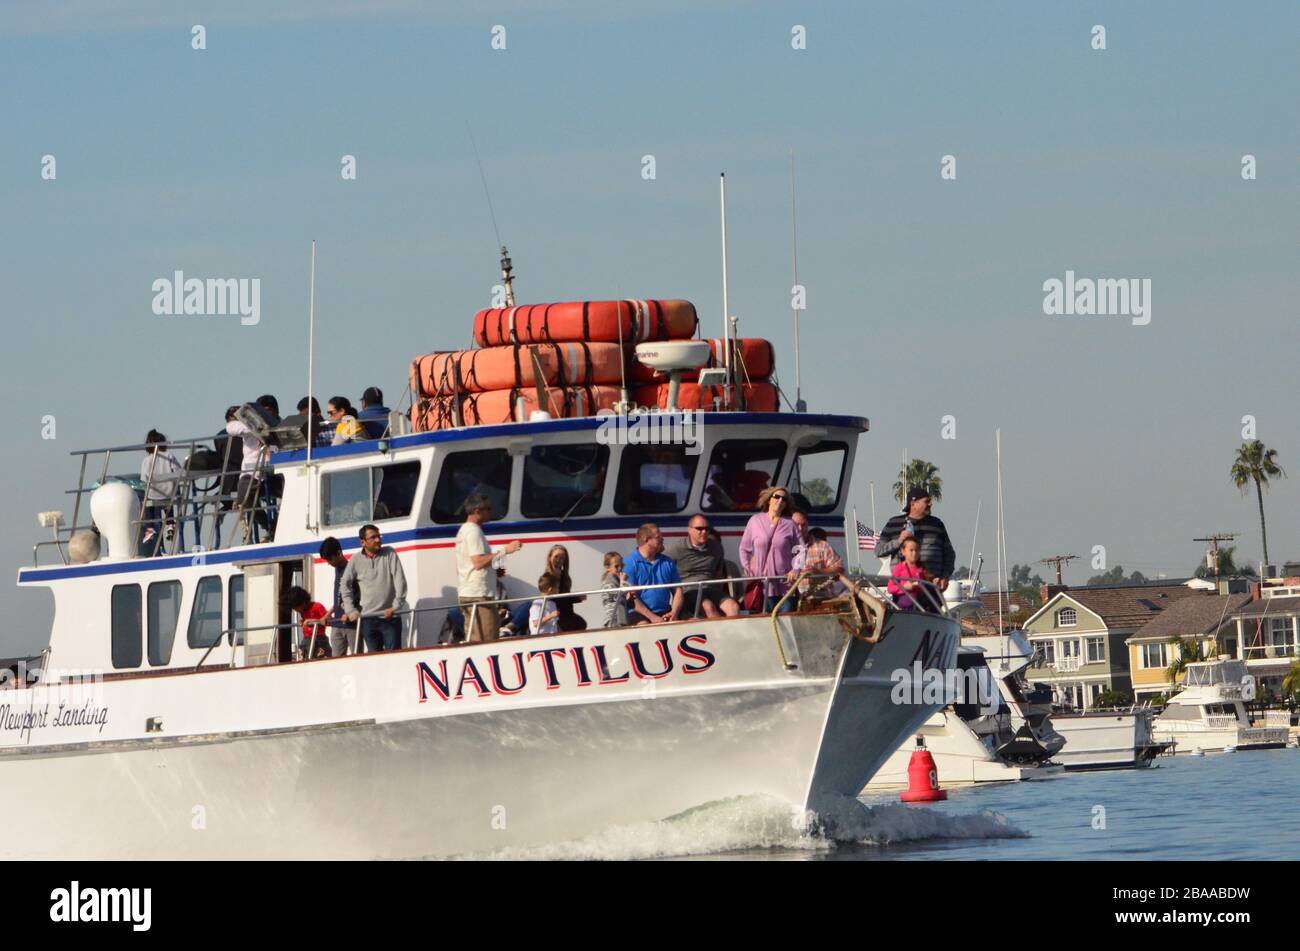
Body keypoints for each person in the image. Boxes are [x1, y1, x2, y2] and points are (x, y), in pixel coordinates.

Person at [455, 494, 522, 642]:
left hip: (468, 593)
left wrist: (492, 570)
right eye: (488, 509)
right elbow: (478, 562)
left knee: (476, 639)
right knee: (487, 639)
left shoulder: (463, 531)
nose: (491, 512)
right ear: (478, 510)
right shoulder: (474, 531)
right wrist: (506, 550)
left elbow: (466, 565)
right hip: (479, 596)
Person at [875, 486, 956, 593]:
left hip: (932, 587)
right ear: (913, 504)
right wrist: (898, 541)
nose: (930, 504)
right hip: (904, 589)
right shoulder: (893, 523)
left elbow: (949, 554)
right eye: (926, 501)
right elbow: (878, 551)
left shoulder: (937, 524)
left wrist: (945, 576)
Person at [340, 524, 408, 652]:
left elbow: (400, 581)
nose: (378, 540)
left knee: (394, 657)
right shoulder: (355, 559)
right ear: (363, 542)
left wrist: (395, 607)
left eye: (378, 536)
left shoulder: (390, 553)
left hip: (390, 618)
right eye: (373, 537)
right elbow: (344, 584)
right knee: (374, 660)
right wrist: (350, 610)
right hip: (368, 620)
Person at [738, 485, 801, 613]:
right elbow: (744, 548)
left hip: (785, 585)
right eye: (777, 497)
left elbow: (801, 550)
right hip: (762, 584)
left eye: (784, 499)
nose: (780, 500)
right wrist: (747, 567)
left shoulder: (790, 524)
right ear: (769, 500)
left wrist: (796, 569)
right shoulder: (755, 520)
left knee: (785, 623)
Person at [667, 515, 740, 618]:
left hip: (710, 588)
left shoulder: (716, 547)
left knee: (734, 607)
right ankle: (719, 633)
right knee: (708, 607)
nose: (704, 532)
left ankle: (733, 633)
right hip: (689, 590)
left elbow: (718, 574)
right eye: (699, 529)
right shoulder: (676, 548)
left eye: (707, 529)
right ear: (689, 530)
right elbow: (662, 567)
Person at [624, 523, 683, 624]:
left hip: (665, 611)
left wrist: (674, 613)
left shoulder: (668, 562)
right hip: (639, 614)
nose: (662, 539)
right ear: (646, 540)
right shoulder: (629, 563)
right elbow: (631, 598)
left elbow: (678, 591)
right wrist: (653, 618)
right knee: (644, 626)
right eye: (658, 537)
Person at [138, 430, 182, 556]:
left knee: (149, 508)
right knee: (169, 506)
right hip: (168, 493)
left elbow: (144, 479)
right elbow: (178, 471)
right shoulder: (169, 455)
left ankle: (150, 529)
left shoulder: (147, 460)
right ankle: (170, 525)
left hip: (154, 493)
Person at [319, 536, 358, 656]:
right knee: (335, 661)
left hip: (352, 624)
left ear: (339, 553)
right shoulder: (337, 569)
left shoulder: (353, 568)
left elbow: (359, 595)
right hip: (337, 624)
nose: (329, 563)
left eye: (330, 559)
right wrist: (328, 614)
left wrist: (350, 612)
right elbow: (339, 597)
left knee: (358, 658)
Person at [544, 544, 587, 631]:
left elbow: (565, 595)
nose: (558, 560)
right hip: (556, 612)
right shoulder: (547, 577)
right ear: (550, 558)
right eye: (556, 557)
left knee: (581, 623)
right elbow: (554, 598)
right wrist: (576, 598)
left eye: (562, 558)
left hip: (567, 612)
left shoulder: (565, 576)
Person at [283, 585, 331, 658]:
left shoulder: (317, 606)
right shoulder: (303, 611)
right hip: (306, 640)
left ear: (303, 602)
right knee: (303, 658)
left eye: (296, 607)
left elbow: (329, 620)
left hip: (319, 639)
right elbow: (306, 620)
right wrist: (303, 621)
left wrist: (313, 621)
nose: (296, 610)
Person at [887, 537, 934, 611]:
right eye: (911, 550)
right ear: (903, 551)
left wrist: (933, 581)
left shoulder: (922, 569)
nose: (914, 553)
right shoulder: (899, 568)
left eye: (917, 550)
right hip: (905, 604)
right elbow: (890, 588)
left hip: (920, 604)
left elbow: (928, 584)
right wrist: (904, 587)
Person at [600, 552, 629, 627]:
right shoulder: (608, 581)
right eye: (616, 566)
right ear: (608, 567)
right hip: (614, 619)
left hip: (620, 618)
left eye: (621, 565)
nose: (620, 568)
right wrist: (623, 582)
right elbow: (618, 597)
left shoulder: (617, 579)